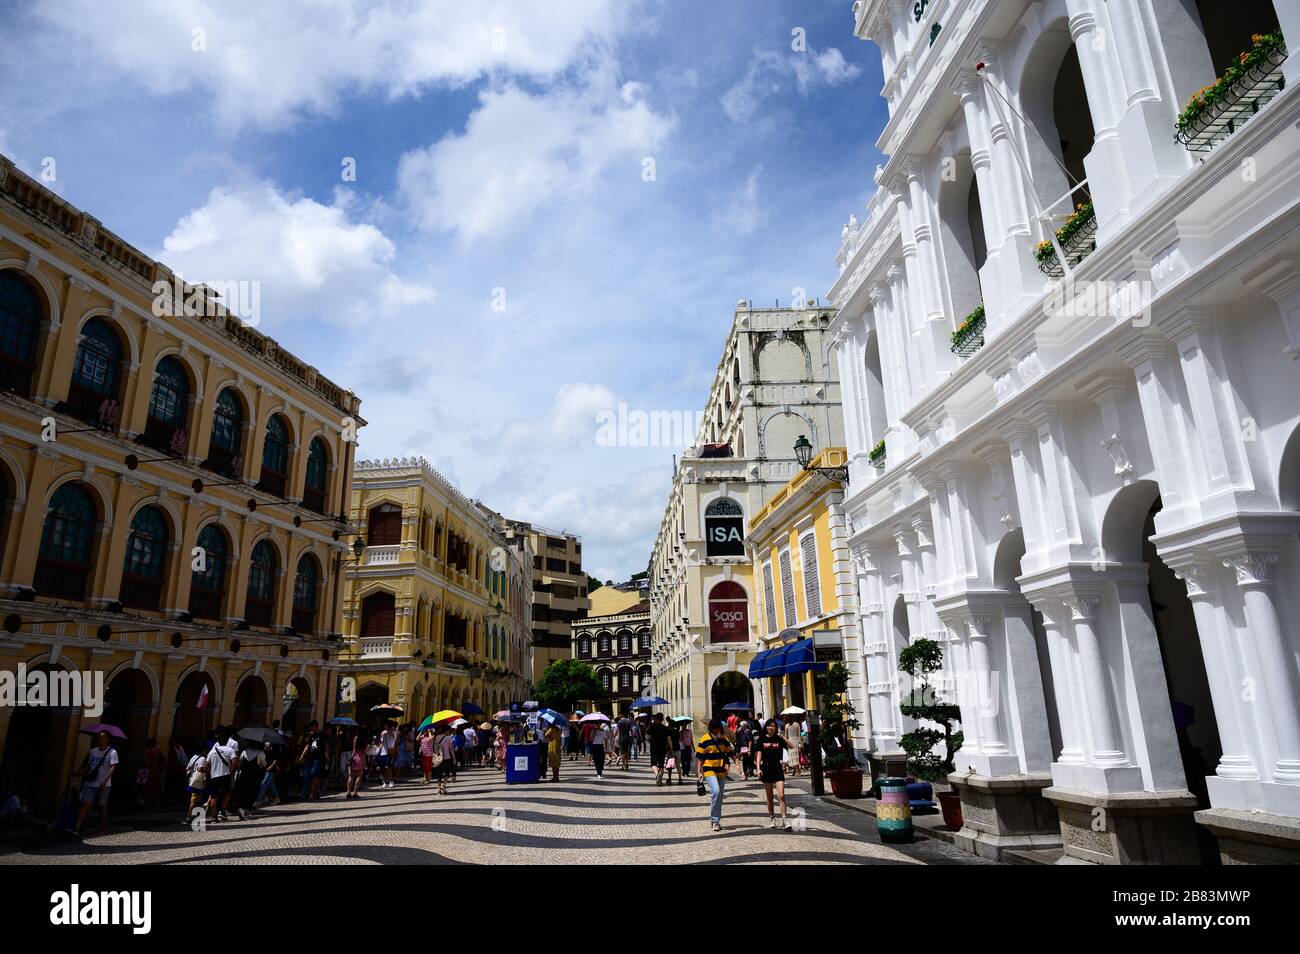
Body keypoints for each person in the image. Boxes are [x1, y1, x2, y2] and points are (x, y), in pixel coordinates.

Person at [75, 730, 119, 835]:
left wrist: (105, 781)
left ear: (107, 739)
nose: (100, 739)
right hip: (90, 783)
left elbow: (113, 767)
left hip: (104, 784)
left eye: (103, 737)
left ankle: (102, 826)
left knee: (102, 805)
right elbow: (89, 765)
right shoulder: (93, 751)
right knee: (85, 804)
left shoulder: (112, 752)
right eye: (99, 737)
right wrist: (80, 772)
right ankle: (76, 828)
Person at [696, 720, 733, 833]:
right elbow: (700, 758)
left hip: (721, 771)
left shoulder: (724, 738)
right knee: (716, 791)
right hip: (709, 769)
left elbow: (729, 752)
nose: (717, 730)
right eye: (715, 728)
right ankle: (715, 821)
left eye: (719, 728)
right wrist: (699, 772)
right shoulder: (704, 739)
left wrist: (736, 764)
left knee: (719, 796)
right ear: (711, 728)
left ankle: (715, 819)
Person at [757, 719, 792, 830]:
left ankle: (784, 819)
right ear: (766, 727)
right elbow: (759, 754)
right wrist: (758, 768)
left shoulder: (778, 739)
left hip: (777, 767)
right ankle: (772, 817)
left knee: (781, 795)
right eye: (769, 726)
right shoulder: (762, 739)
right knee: (769, 797)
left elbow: (791, 746)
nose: (771, 728)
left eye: (773, 726)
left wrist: (782, 737)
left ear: (776, 728)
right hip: (766, 768)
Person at [205, 728, 238, 821]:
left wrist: (209, 773)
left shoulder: (212, 751)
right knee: (228, 793)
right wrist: (231, 772)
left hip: (214, 776)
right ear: (227, 741)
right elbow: (234, 761)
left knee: (213, 796)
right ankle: (222, 810)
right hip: (225, 775)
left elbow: (206, 764)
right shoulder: (230, 750)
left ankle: (213, 817)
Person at [234, 739, 266, 820]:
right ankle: (247, 811)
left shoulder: (244, 752)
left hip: (244, 776)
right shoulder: (260, 753)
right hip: (254, 777)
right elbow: (264, 764)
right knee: (252, 793)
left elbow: (240, 763)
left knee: (243, 793)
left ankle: (243, 809)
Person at [184, 744, 209, 825]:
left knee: (196, 799)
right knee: (194, 800)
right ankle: (189, 817)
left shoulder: (194, 757)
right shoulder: (202, 758)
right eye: (205, 750)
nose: (206, 752)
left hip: (192, 779)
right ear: (203, 750)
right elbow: (201, 769)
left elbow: (187, 768)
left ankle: (195, 816)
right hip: (198, 781)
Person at [647, 713, 671, 785]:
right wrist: (670, 748)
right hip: (663, 748)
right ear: (662, 719)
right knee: (661, 765)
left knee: (653, 764)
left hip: (654, 748)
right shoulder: (665, 728)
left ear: (656, 719)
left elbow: (648, 734)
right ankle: (660, 781)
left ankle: (657, 775)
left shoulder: (652, 727)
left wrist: (651, 724)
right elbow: (668, 738)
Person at [433, 724, 454, 795]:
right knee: (447, 773)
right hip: (447, 758)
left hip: (439, 758)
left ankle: (439, 790)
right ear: (447, 731)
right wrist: (454, 758)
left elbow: (435, 747)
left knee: (439, 774)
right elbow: (451, 749)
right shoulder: (448, 737)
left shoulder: (437, 737)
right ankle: (443, 785)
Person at [346, 733, 368, 798]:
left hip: (354, 757)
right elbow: (365, 751)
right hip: (361, 758)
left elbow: (354, 749)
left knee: (351, 776)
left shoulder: (356, 738)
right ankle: (355, 792)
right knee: (359, 776)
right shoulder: (365, 740)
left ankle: (348, 791)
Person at [378, 720, 397, 789]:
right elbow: (381, 742)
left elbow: (393, 737)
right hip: (382, 752)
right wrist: (377, 750)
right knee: (382, 768)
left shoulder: (394, 731)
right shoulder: (383, 732)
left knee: (387, 767)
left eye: (386, 725)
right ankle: (385, 782)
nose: (385, 726)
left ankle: (391, 781)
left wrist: (387, 731)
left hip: (389, 752)